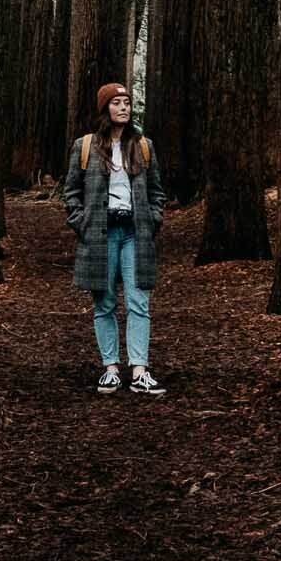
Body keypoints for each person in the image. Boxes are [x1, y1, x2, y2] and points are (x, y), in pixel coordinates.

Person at [63, 82, 167, 394]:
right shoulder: (86, 146)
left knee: (139, 301)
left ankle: (139, 370)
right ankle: (110, 368)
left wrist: (152, 219)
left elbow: (156, 191)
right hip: (100, 234)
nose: (123, 108)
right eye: (116, 102)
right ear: (104, 108)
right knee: (104, 302)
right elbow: (71, 192)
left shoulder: (143, 146)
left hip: (135, 233)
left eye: (127, 102)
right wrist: (82, 223)